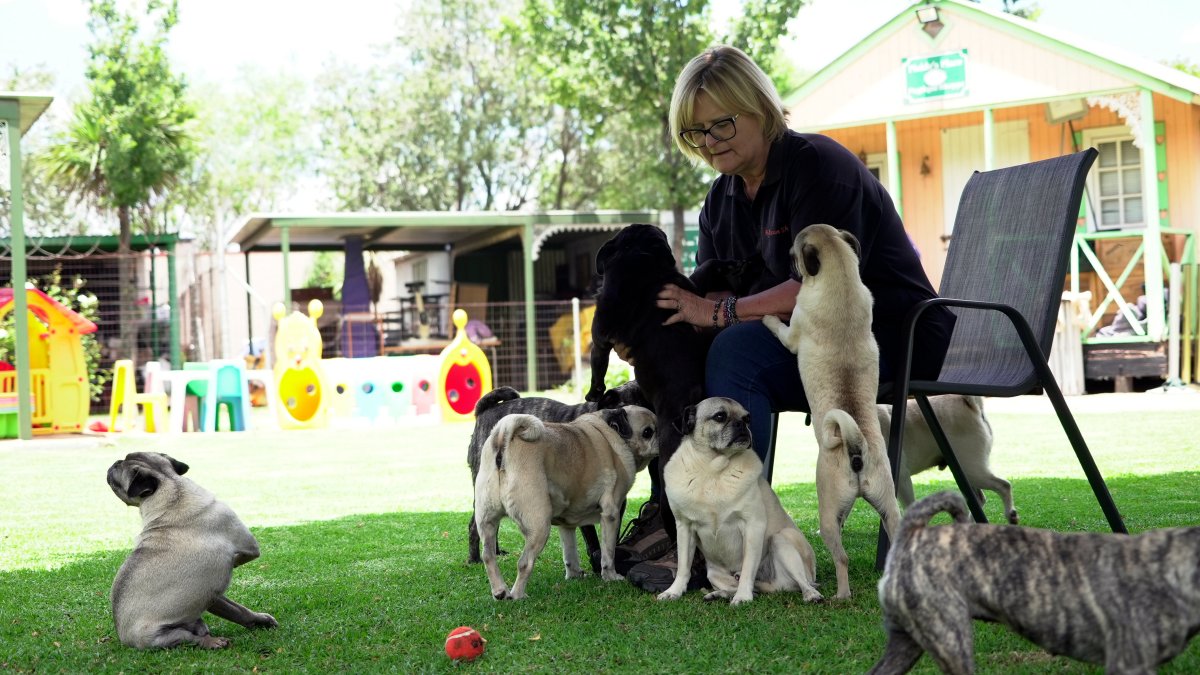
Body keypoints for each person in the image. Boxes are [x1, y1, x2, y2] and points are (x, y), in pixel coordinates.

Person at [617, 45, 956, 593]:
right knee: (688, 356)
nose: (709, 141)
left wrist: (720, 312)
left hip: (893, 337)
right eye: (695, 132)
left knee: (736, 350)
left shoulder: (819, 167)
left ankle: (736, 525)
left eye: (722, 124)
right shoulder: (720, 199)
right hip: (803, 343)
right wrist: (654, 335)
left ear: (760, 107)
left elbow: (815, 290)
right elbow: (714, 293)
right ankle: (685, 516)